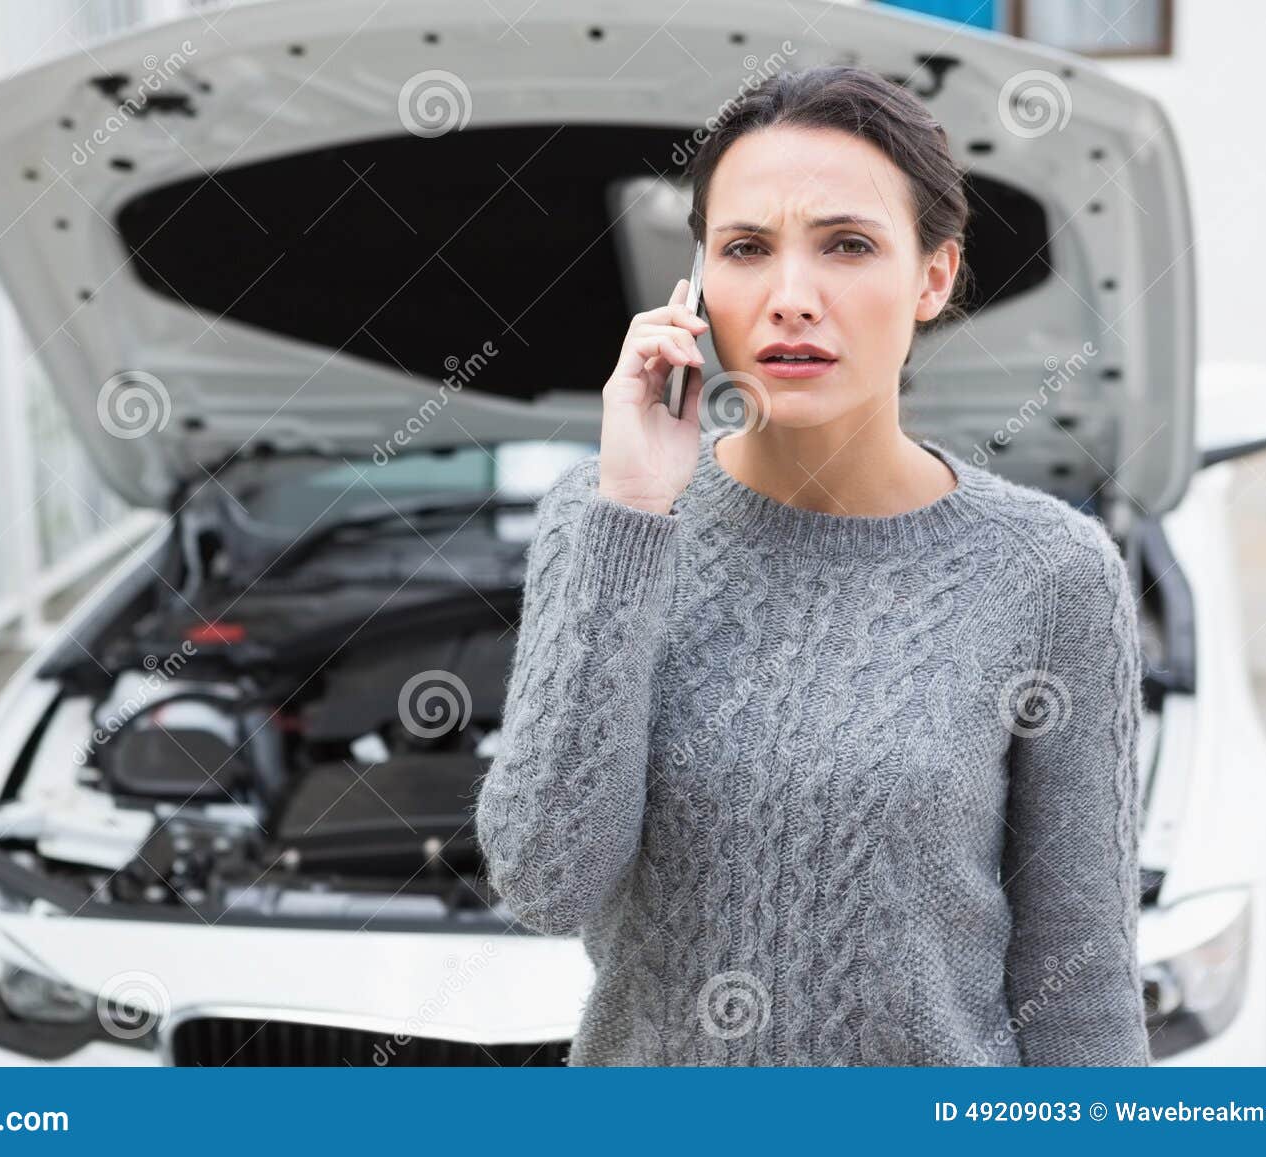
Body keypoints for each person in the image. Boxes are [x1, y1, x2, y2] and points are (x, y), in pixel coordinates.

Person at [473, 63, 1151, 1066]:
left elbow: (1080, 981)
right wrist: (633, 512)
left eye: (846, 245)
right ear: (697, 285)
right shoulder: (603, 516)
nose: (791, 297)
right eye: (746, 249)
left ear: (931, 276)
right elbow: (541, 880)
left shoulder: (1052, 573)